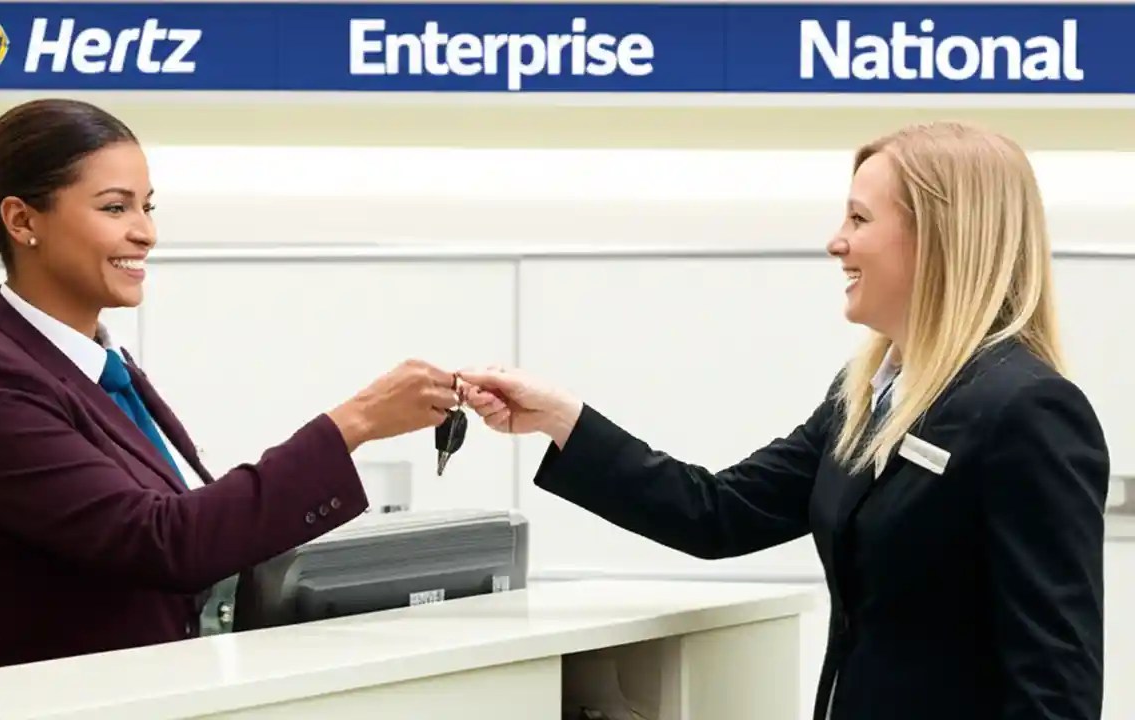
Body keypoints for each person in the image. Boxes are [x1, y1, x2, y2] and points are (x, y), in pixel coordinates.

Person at [458, 122, 1109, 720]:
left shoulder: (1027, 412)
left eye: (859, 218)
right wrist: (562, 420)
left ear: (940, 236)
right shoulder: (865, 398)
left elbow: (1057, 690)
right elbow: (717, 512)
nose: (836, 242)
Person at [0, 98, 460, 671]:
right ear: (23, 221)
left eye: (147, 207)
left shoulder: (99, 367)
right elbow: (166, 542)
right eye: (115, 207)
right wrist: (357, 422)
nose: (145, 233)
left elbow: (190, 537)